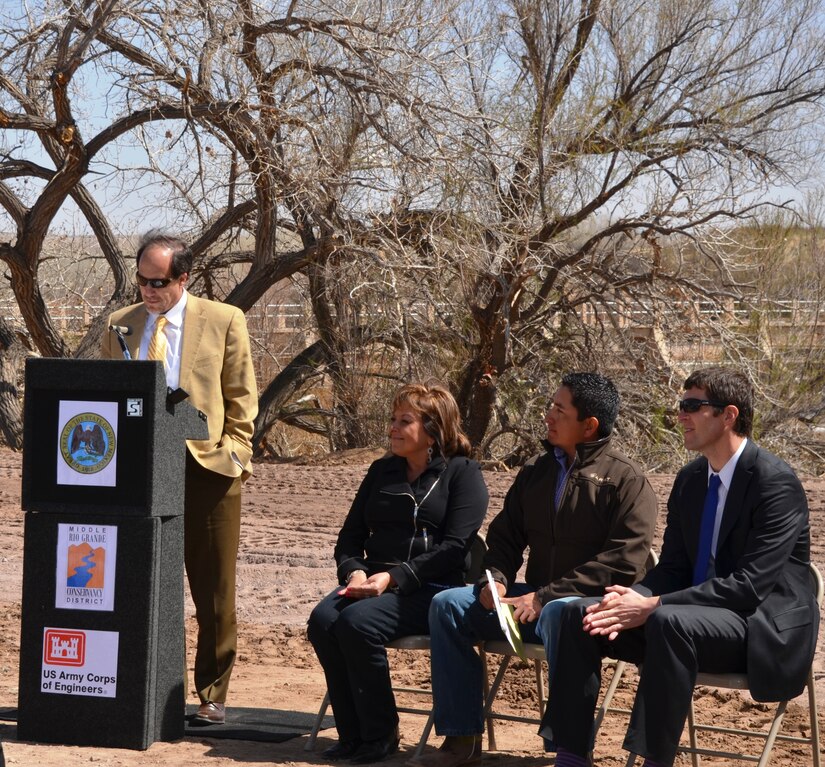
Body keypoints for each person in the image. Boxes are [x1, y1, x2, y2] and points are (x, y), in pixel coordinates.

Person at [544, 367, 820, 767]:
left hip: (756, 626)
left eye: (692, 406)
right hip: (684, 622)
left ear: (728, 415)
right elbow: (672, 567)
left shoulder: (774, 482)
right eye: (681, 405)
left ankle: (654, 760)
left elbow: (749, 587)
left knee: (668, 621)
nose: (681, 416)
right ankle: (570, 758)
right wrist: (633, 596)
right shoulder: (690, 479)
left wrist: (652, 606)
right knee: (578, 614)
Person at [410, 372, 658, 767]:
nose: (548, 415)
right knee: (448, 604)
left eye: (560, 409)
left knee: (562, 612)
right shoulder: (536, 471)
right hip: (531, 601)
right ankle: (461, 740)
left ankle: (569, 750)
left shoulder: (625, 480)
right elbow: (505, 536)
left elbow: (624, 561)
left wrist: (546, 596)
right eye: (550, 406)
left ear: (589, 424)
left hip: (587, 609)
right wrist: (496, 580)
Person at [101, 232, 258, 725]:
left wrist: (234, 454)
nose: (149, 291)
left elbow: (241, 398)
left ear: (183, 277)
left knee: (213, 588)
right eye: (142, 281)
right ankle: (137, 686)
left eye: (159, 282)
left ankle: (211, 694)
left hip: (208, 467)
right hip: (140, 471)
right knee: (135, 580)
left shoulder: (224, 319)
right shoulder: (120, 326)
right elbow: (108, 396)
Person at [307, 382, 489, 764]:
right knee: (323, 620)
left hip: (433, 588)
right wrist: (354, 572)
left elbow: (456, 546)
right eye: (393, 419)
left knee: (357, 624)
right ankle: (353, 734)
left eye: (404, 421)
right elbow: (350, 536)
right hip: (372, 583)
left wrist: (395, 578)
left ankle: (380, 734)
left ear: (434, 429)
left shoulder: (463, 473)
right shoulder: (381, 471)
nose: (392, 427)